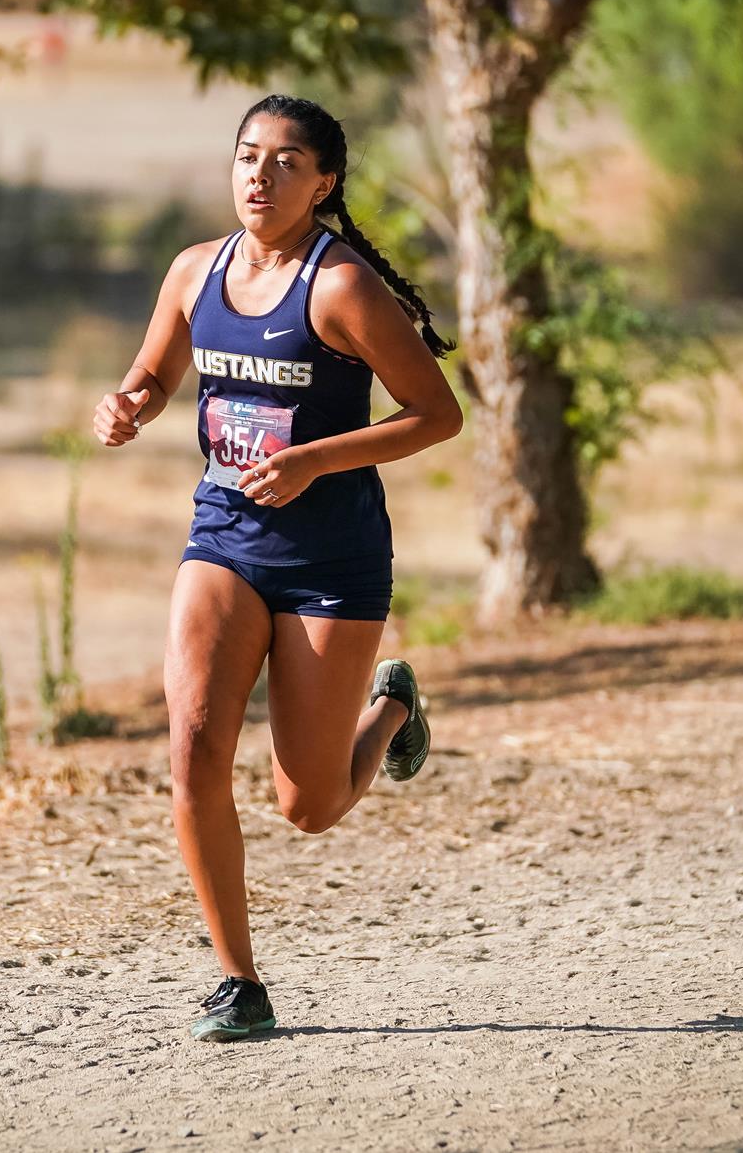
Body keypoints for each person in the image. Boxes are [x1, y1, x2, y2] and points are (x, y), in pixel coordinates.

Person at [92, 94, 463, 1041]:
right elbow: (157, 372)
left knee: (309, 803)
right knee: (194, 748)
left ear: (323, 182)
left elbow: (436, 413)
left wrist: (313, 459)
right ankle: (238, 981)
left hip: (332, 555)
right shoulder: (193, 271)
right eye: (247, 156)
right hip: (223, 535)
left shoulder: (340, 288)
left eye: (286, 161)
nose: (260, 175)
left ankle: (392, 709)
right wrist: (128, 406)